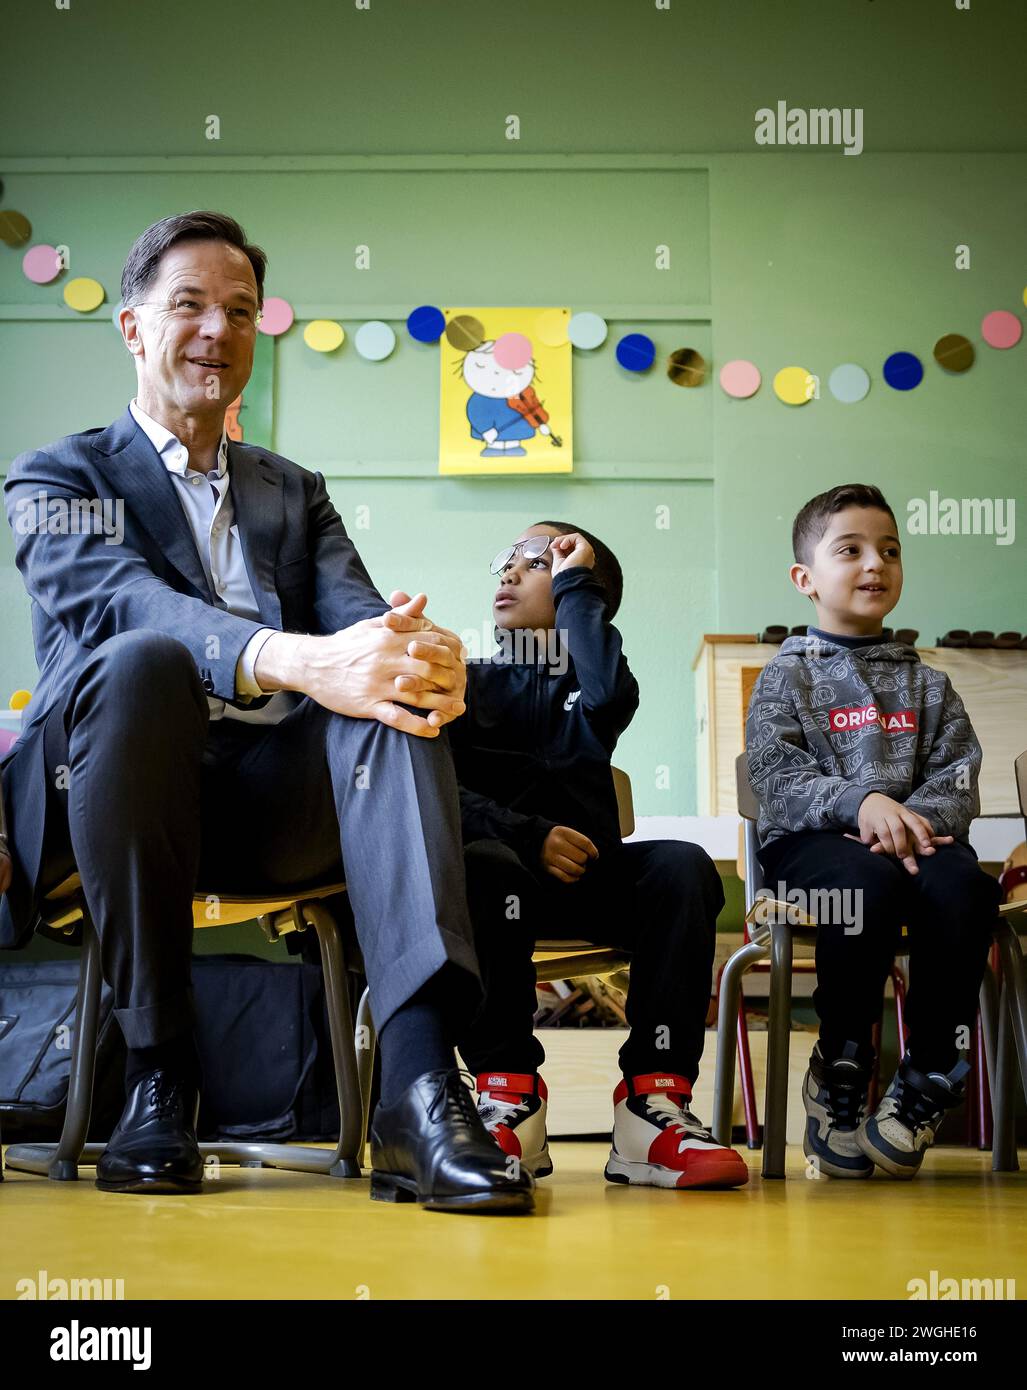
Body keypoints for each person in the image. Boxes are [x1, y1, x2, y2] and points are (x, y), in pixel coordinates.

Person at [1, 210, 534, 1213]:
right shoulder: (56, 476)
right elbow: (121, 605)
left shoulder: (294, 492)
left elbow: (362, 629)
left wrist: (426, 656)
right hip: (113, 798)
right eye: (189, 304)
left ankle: (417, 1088)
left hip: (273, 802)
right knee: (147, 662)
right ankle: (159, 1072)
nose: (217, 328)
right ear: (132, 327)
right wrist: (294, 658)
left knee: (388, 690)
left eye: (241, 311)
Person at [446, 521, 749, 1190]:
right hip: (495, 889)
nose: (509, 573)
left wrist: (578, 583)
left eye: (536, 563)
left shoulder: (598, 683)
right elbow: (433, 789)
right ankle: (508, 1095)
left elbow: (607, 695)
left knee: (680, 865)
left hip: (588, 883)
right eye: (507, 562)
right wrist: (525, 833)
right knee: (486, 864)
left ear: (582, 592)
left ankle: (652, 1106)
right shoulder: (462, 682)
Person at [746, 483, 1001, 1179]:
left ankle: (926, 1071)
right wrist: (860, 806)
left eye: (888, 550)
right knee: (861, 883)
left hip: (918, 848)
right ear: (805, 579)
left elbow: (957, 776)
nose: (874, 564)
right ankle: (842, 1060)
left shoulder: (929, 686)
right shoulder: (782, 678)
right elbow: (775, 777)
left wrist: (908, 824)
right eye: (850, 549)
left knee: (966, 892)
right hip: (812, 852)